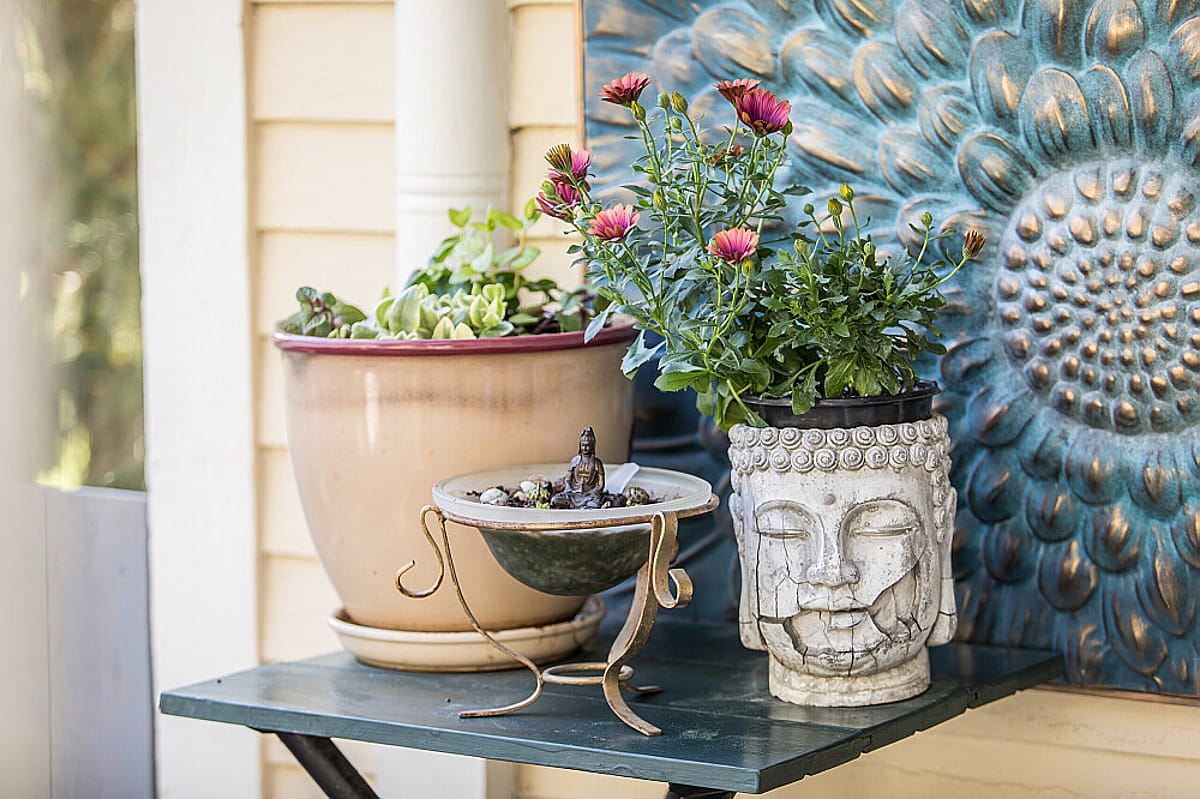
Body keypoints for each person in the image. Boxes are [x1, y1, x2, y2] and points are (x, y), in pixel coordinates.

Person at [550, 426, 606, 508]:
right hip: (573, 493)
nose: (585, 448)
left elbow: (601, 483)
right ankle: (575, 506)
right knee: (555, 500)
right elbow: (568, 478)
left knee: (595, 503)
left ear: (592, 446)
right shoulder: (575, 460)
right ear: (580, 445)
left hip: (589, 495)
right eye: (583, 445)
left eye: (587, 446)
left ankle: (584, 506)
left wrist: (594, 491)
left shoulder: (597, 463)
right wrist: (569, 488)